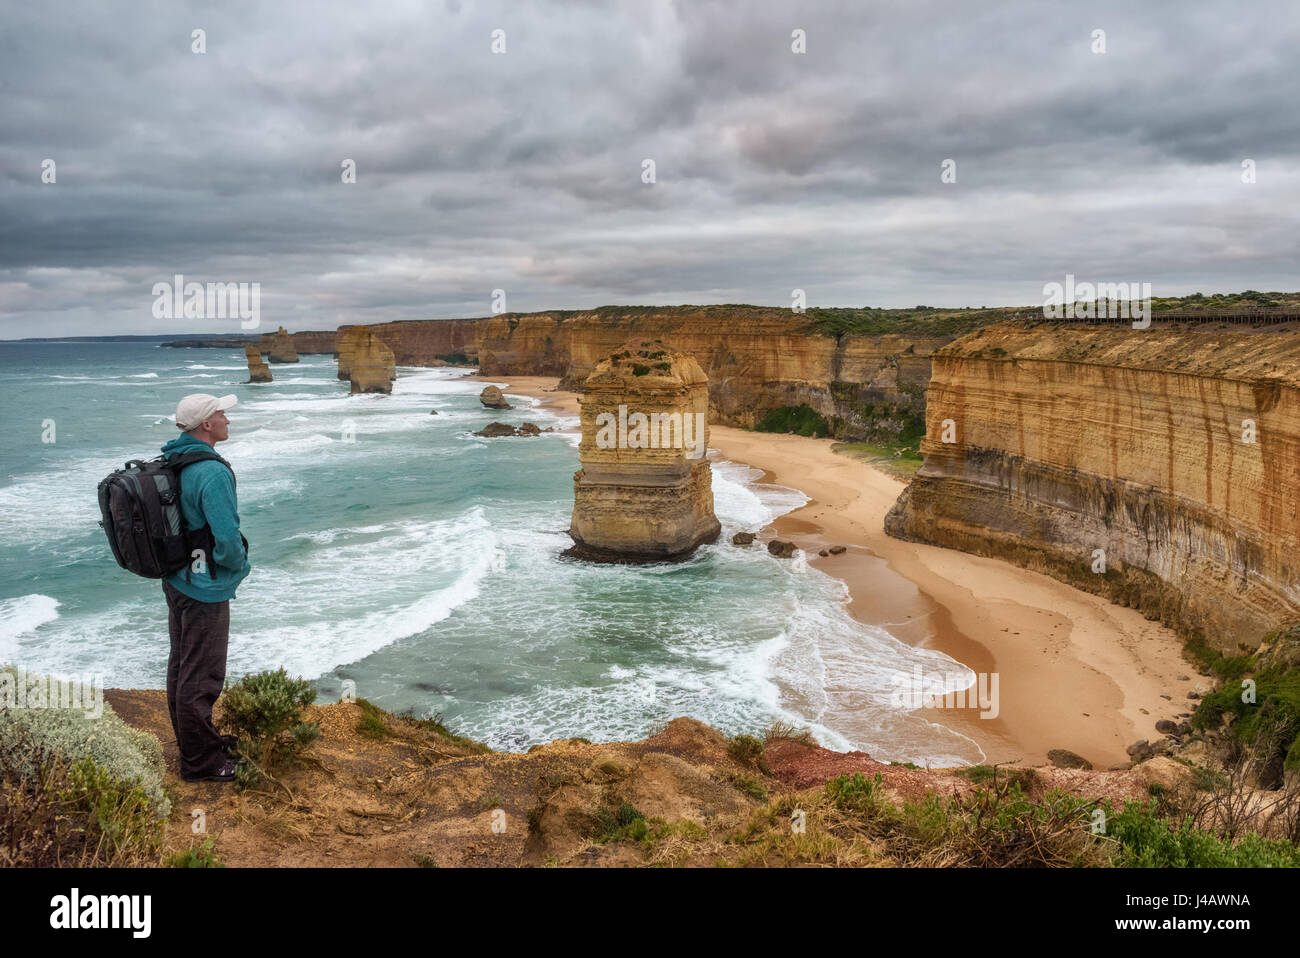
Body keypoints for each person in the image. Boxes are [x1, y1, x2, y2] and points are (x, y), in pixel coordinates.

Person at [160, 393, 252, 782]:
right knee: (203, 676)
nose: (227, 418)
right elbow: (227, 538)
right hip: (204, 588)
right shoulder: (211, 472)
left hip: (177, 578)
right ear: (206, 425)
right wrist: (240, 567)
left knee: (182, 664)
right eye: (221, 414)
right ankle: (200, 763)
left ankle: (196, 742)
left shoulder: (172, 459)